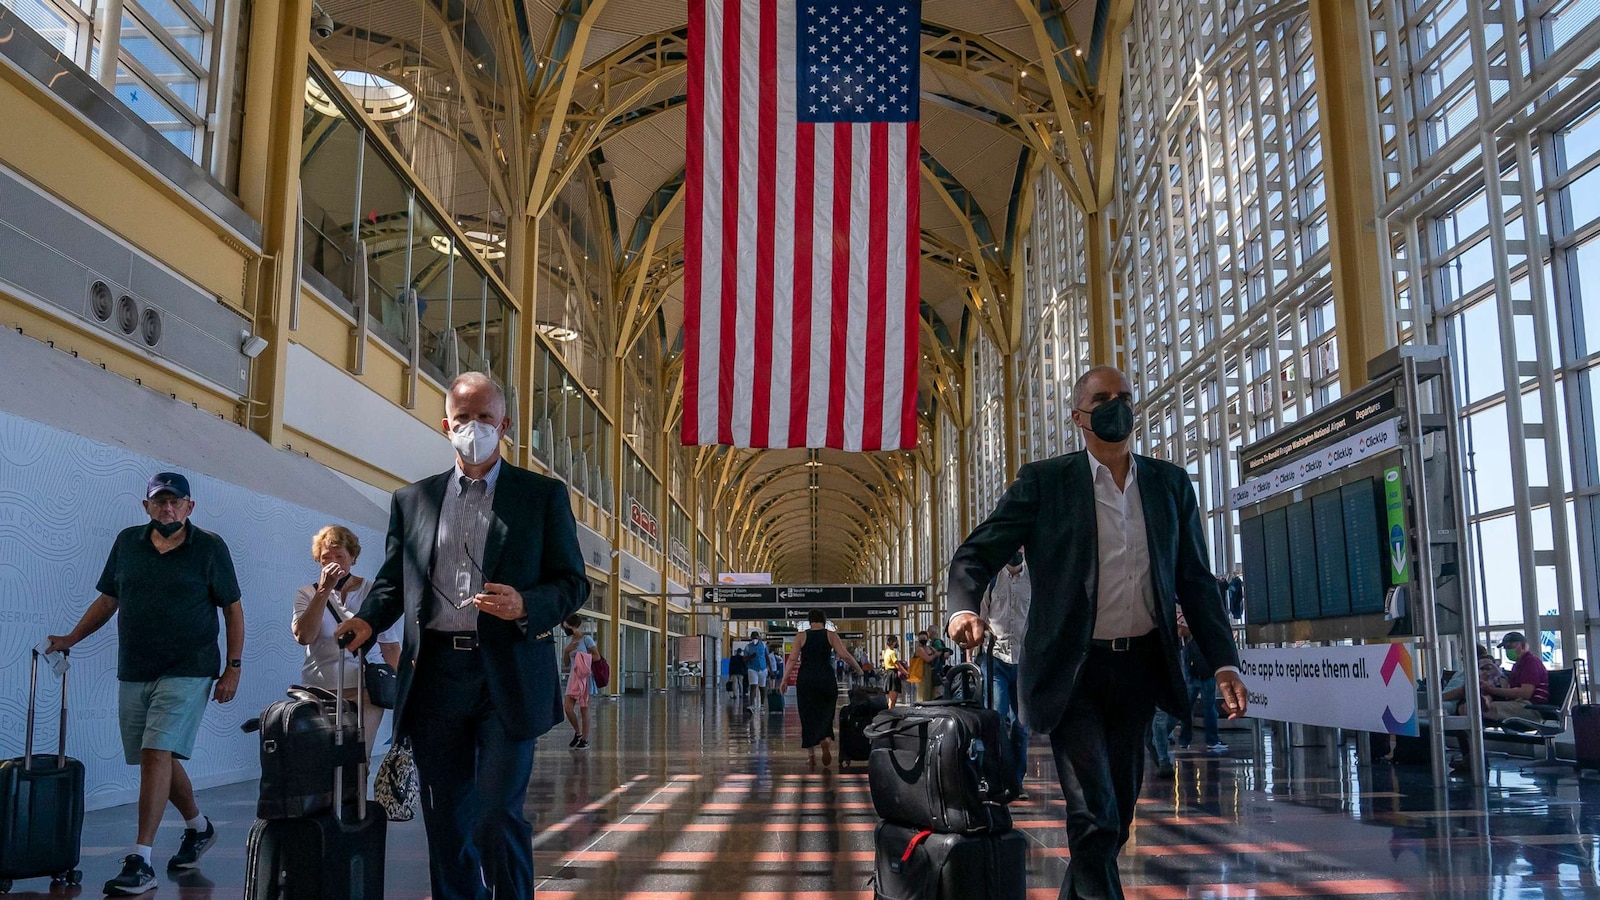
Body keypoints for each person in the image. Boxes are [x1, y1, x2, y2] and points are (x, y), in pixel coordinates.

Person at [945, 365, 1246, 900]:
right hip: (1073, 671)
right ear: (1079, 416)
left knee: (1115, 819)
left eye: (1125, 396)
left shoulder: (1169, 484)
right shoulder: (1046, 482)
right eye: (1104, 397)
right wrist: (963, 610)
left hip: (1139, 670)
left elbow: (1195, 580)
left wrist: (1223, 661)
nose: (1118, 405)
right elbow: (977, 552)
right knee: (1093, 814)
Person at [333, 372, 589, 900]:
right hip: (435, 677)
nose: (475, 428)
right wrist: (368, 621)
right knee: (445, 821)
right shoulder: (413, 500)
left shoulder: (540, 497)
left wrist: (526, 604)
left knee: (495, 815)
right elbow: (392, 581)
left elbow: (573, 582)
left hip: (508, 673)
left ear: (506, 426)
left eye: (486, 418)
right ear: (446, 425)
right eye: (464, 419)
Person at [45, 472, 243, 894]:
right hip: (135, 668)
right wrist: (71, 638)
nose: (167, 509)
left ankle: (141, 860)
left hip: (189, 668)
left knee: (156, 752)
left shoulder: (209, 547)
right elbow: (109, 599)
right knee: (159, 758)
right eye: (159, 502)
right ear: (146, 506)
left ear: (190, 507)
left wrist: (234, 667)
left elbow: (232, 609)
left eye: (175, 502)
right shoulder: (127, 543)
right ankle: (198, 827)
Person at [291, 525, 402, 750]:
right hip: (319, 689)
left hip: (364, 688)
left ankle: (357, 785)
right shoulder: (307, 594)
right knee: (323, 760)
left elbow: (390, 647)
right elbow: (304, 636)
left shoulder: (373, 591)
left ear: (352, 557)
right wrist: (323, 591)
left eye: (340, 556)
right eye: (326, 558)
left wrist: (404, 689)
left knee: (358, 757)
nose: (333, 563)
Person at [780, 609, 864, 767]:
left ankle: (811, 755)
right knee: (827, 711)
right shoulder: (831, 635)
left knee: (807, 714)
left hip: (806, 679)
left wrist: (784, 679)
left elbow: (792, 659)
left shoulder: (801, 635)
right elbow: (844, 654)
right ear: (824, 621)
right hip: (826, 678)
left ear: (810, 621)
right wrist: (858, 669)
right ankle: (825, 739)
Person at [980, 549, 1032, 796]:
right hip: (996, 660)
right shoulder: (992, 580)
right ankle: (995, 777)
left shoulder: (1033, 581)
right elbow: (979, 619)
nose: (1017, 552)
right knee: (997, 721)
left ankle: (1015, 781)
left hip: (1024, 661)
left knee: (1022, 725)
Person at [1176, 613, 1224, 752]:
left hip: (1194, 676)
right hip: (1206, 675)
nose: (1179, 630)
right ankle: (1212, 740)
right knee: (1209, 709)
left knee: (1187, 709)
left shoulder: (1188, 640)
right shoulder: (1203, 636)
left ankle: (1185, 740)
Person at [1482, 631, 1550, 724]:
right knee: (1473, 707)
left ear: (1523, 646)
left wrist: (1491, 690)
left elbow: (1525, 693)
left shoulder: (1530, 662)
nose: (1507, 651)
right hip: (1519, 703)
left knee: (1480, 710)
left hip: (1531, 708)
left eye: (1510, 647)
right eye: (1505, 648)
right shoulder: (1518, 665)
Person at [562, 614, 597, 749]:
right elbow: (566, 663)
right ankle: (578, 732)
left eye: (567, 626)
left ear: (574, 626)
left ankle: (585, 739)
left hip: (584, 677)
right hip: (573, 676)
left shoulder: (586, 639)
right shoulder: (568, 640)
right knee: (568, 708)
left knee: (584, 708)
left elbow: (596, 656)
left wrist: (581, 656)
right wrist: (567, 651)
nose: (565, 628)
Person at [744, 630, 770, 708]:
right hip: (752, 669)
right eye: (753, 637)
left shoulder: (763, 645)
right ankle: (751, 705)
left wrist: (770, 670)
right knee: (753, 686)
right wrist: (751, 657)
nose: (754, 639)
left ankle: (762, 704)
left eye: (756, 637)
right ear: (751, 638)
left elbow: (767, 657)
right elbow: (744, 660)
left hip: (763, 668)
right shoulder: (748, 647)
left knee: (762, 687)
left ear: (759, 637)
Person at [913, 630, 940, 702]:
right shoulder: (919, 649)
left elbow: (938, 653)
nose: (923, 639)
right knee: (923, 691)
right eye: (921, 638)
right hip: (922, 672)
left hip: (931, 671)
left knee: (931, 690)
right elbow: (927, 659)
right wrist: (935, 655)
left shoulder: (930, 648)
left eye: (924, 638)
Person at [881, 635, 906, 708]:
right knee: (893, 699)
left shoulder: (886, 652)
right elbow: (897, 665)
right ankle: (891, 714)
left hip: (888, 674)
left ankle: (890, 712)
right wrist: (906, 673)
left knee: (890, 699)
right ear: (894, 642)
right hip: (893, 675)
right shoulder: (892, 653)